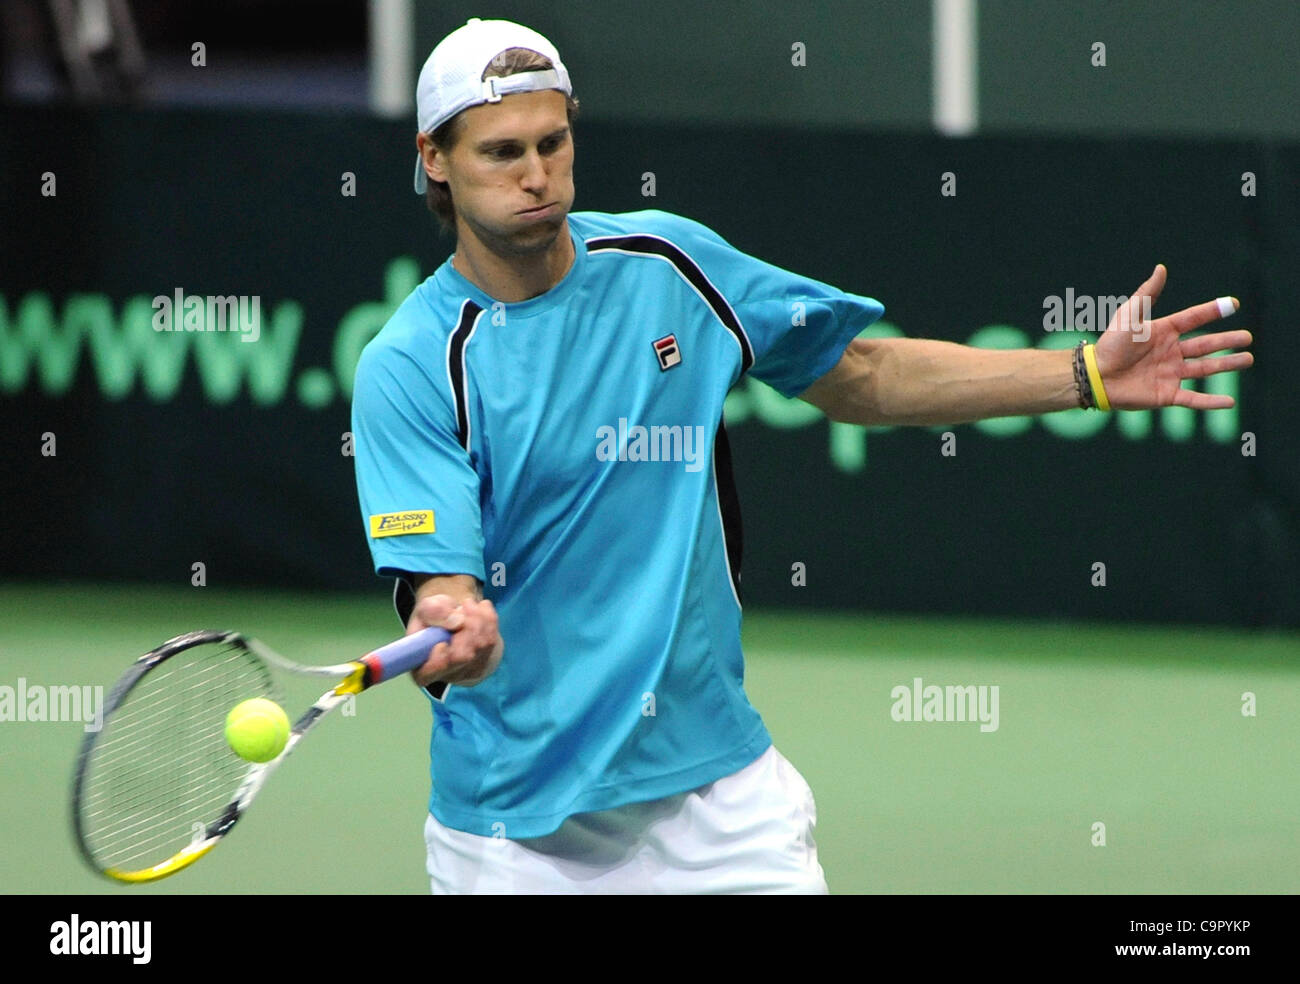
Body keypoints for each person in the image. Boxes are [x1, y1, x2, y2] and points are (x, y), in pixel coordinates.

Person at [350, 18, 1253, 894]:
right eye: (502, 152)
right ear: (435, 158)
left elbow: (862, 372)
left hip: (720, 802)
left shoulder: (670, 265)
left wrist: (1085, 372)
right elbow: (442, 585)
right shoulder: (410, 365)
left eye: (554, 143)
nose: (538, 175)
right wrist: (454, 626)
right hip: (517, 834)